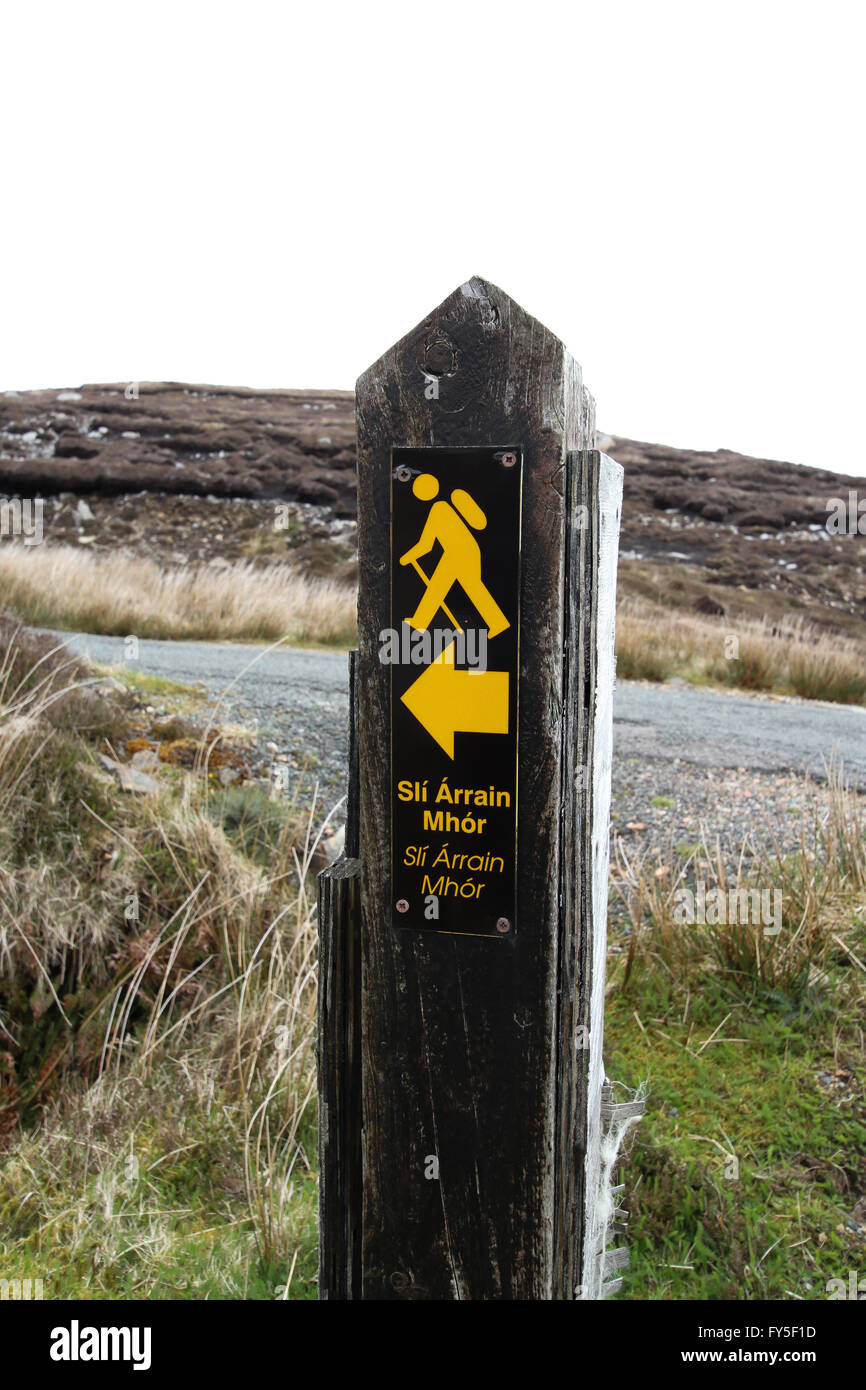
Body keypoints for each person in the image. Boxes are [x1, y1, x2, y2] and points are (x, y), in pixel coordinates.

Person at [399, 473, 509, 639]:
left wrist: (405, 558)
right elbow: (427, 545)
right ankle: (421, 622)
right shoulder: (443, 507)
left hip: (459, 552)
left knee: (461, 587)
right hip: (463, 551)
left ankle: (498, 623)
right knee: (444, 587)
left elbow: (426, 545)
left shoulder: (438, 509)